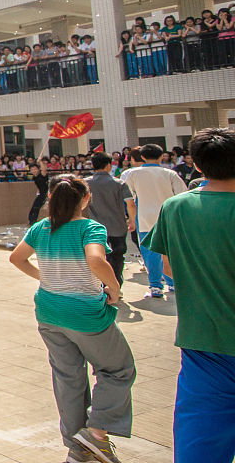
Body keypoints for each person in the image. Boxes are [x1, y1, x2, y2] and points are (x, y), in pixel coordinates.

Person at [9, 176, 134, 463]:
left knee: (68, 379)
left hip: (49, 312)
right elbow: (96, 261)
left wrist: (46, 277)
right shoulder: (90, 228)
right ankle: (96, 434)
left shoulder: (41, 228)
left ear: (50, 198)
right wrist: (114, 289)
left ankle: (76, 447)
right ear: (86, 199)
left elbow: (17, 258)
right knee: (119, 370)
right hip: (85, 315)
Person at [144, 127, 235, 463]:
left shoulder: (176, 208)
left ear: (196, 165)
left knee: (200, 452)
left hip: (205, 347)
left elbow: (168, 268)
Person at [121, 143, 186, 298]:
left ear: (142, 157)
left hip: (143, 217)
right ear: (161, 156)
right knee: (169, 251)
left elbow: (127, 197)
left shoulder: (132, 174)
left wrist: (130, 218)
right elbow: (182, 194)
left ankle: (155, 286)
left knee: (150, 253)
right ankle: (172, 283)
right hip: (168, 216)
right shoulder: (170, 173)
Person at [85, 152, 135, 284]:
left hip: (96, 228)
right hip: (118, 227)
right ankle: (116, 284)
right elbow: (130, 204)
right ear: (108, 165)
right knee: (117, 256)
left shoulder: (86, 183)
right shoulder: (119, 183)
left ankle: (102, 284)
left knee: (98, 257)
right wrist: (132, 220)